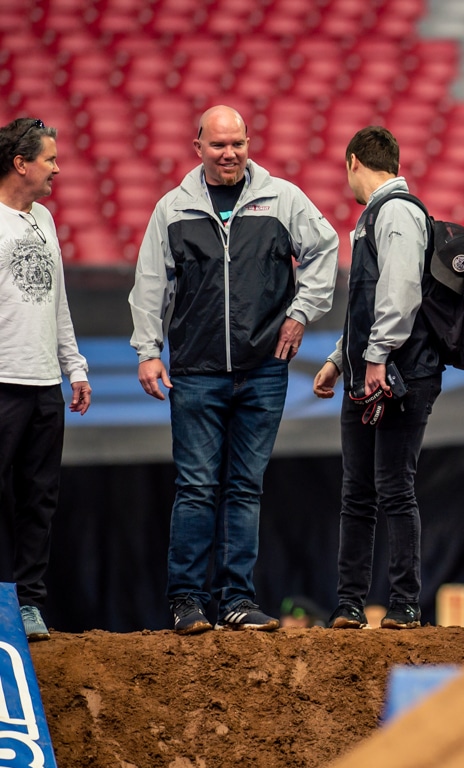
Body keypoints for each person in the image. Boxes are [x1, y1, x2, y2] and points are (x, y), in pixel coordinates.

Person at [130, 105, 338, 635]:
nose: (230, 154)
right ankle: (186, 602)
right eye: (219, 145)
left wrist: (300, 313)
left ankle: (237, 602)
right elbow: (151, 283)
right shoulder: (172, 209)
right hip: (196, 373)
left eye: (238, 143)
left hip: (264, 371)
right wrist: (147, 350)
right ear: (197, 146)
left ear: (249, 142)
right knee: (197, 487)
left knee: (245, 488)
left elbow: (326, 247)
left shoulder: (283, 198)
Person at [313, 126, 462, 630]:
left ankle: (403, 604)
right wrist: (340, 358)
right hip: (374, 370)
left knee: (393, 488)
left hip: (399, 372)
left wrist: (373, 358)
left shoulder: (395, 212)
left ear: (354, 161)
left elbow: (399, 296)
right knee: (359, 492)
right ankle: (351, 604)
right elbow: (367, 305)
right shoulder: (380, 215)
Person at [0, 117, 91, 642]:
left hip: (43, 386)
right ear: (21, 163)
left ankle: (29, 602)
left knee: (39, 497)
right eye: (50, 159)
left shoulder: (45, 220)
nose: (57, 168)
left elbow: (57, 303)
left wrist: (73, 366)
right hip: (3, 383)